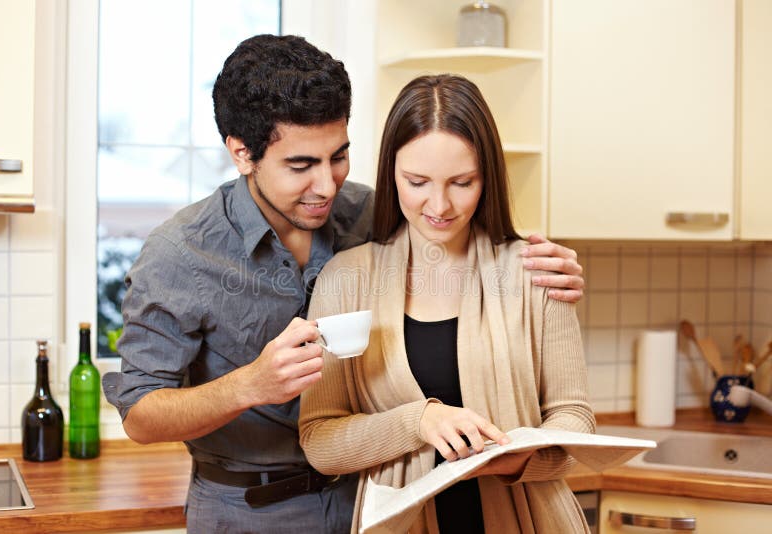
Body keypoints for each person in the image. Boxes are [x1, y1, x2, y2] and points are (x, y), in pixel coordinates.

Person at [103, 35, 586, 533]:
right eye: (301, 166)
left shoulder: (368, 214)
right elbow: (140, 415)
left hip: (373, 498)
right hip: (250, 508)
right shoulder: (181, 253)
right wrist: (251, 384)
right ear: (243, 153)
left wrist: (546, 266)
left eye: (338, 156)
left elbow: (452, 221)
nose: (328, 185)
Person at [299, 74, 595, 534]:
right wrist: (420, 421)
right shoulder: (347, 279)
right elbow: (320, 440)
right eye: (417, 181)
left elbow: (575, 417)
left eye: (462, 182)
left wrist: (522, 458)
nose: (439, 205)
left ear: (488, 177)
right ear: (390, 174)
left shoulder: (536, 271)